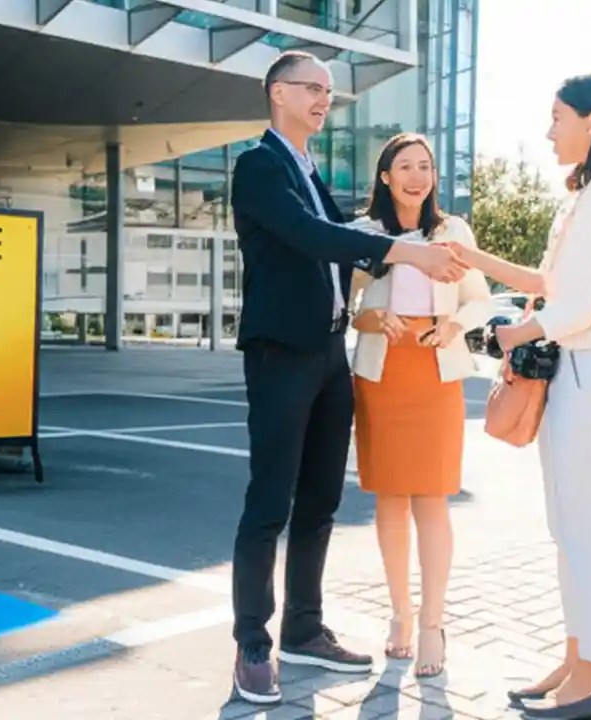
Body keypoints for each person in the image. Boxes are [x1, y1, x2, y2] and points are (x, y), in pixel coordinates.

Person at [228, 50, 470, 705]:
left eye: (328, 93)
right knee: (269, 503)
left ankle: (304, 628)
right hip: (281, 353)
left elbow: (334, 245)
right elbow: (310, 236)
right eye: (312, 88)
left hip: (330, 356)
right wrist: (400, 249)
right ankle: (254, 643)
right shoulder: (258, 166)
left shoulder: (307, 169)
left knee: (319, 504)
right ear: (278, 93)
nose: (322, 100)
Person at [442, 72, 591, 719]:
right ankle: (577, 661)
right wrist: (474, 261)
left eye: (559, 116)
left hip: (587, 370)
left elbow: (581, 304)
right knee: (570, 528)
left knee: (581, 530)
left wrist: (518, 331)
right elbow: (550, 280)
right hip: (581, 372)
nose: (549, 129)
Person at [345, 132, 493, 678]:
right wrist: (372, 319)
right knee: (389, 500)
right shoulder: (364, 233)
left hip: (437, 371)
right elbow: (348, 305)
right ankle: (400, 616)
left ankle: (433, 623)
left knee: (432, 500)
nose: (416, 176)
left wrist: (455, 323)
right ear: (385, 177)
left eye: (425, 166)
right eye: (404, 166)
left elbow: (480, 298)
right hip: (383, 375)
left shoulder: (452, 231)